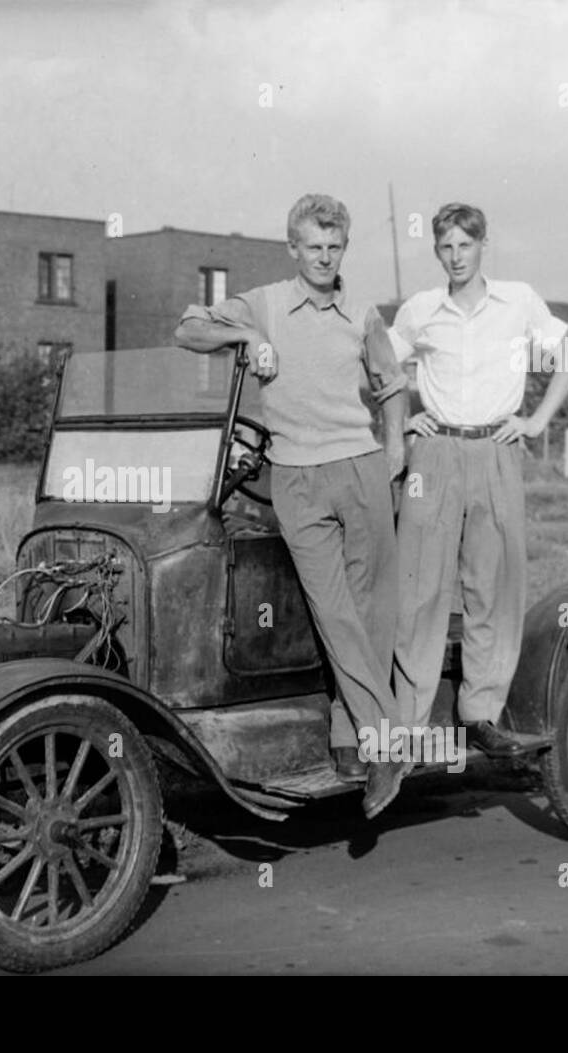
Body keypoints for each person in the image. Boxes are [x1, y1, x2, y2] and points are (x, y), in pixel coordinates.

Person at [174, 194, 412, 819]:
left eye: (334, 248)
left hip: (361, 471)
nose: (324, 258)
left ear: (343, 251)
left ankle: (349, 743)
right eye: (314, 247)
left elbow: (391, 385)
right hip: (298, 480)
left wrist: (392, 452)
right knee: (333, 614)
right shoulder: (267, 304)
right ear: (293, 248)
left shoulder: (362, 313)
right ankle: (387, 743)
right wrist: (247, 334)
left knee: (371, 616)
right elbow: (188, 327)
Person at [389, 202, 568, 752]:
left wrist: (537, 421)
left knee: (491, 587)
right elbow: (375, 366)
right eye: (445, 247)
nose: (455, 257)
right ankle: (409, 722)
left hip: (496, 450)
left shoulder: (517, 301)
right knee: (418, 588)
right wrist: (404, 421)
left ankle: (479, 713)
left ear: (482, 244)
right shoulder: (421, 309)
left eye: (464, 245)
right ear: (436, 252)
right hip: (436, 452)